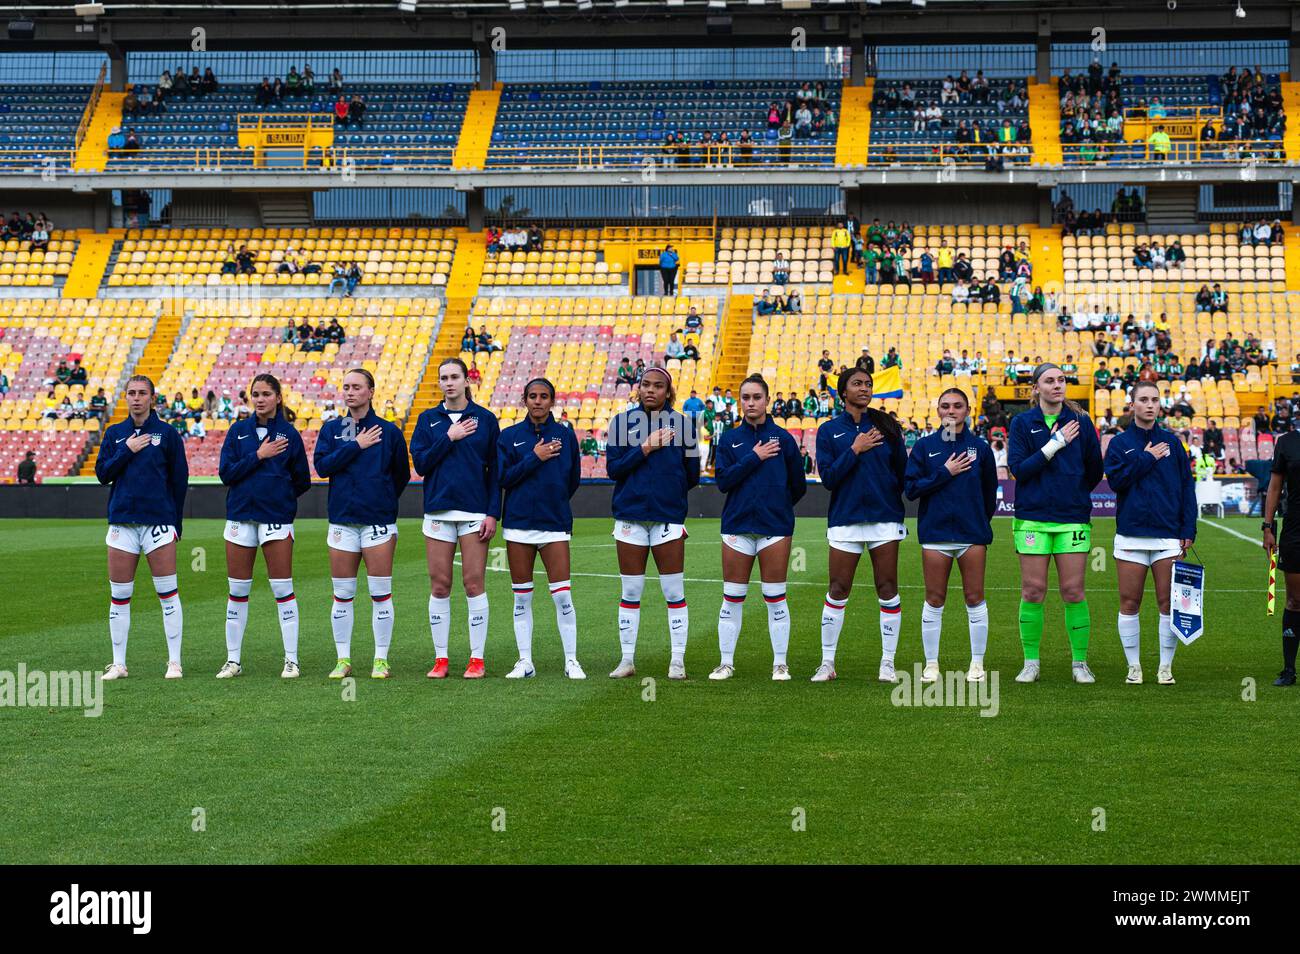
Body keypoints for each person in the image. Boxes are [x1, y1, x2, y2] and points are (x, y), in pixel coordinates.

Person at [1007, 363, 1105, 684]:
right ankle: (1031, 662)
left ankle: (1080, 662)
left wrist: (1071, 491)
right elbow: (1020, 469)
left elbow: (1094, 470)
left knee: (1073, 590)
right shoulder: (1022, 423)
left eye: (1061, 380)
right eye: (1049, 381)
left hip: (1071, 518)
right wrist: (1054, 444)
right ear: (1036, 388)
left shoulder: (1081, 422)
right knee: (1033, 591)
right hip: (1032, 518)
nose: (1057, 385)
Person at [313, 369, 411, 681]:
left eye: (357, 387)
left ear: (371, 391)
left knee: (380, 593)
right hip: (342, 520)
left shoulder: (389, 431)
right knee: (342, 593)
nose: (350, 392)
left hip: (378, 522)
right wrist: (355, 445)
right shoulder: (332, 429)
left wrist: (381, 499)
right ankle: (343, 659)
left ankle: (380, 659)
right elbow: (323, 466)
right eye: (346, 387)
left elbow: (400, 475)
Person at [814, 367, 908, 683]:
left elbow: (901, 474)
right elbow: (828, 478)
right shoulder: (829, 432)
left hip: (884, 519)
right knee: (838, 590)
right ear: (843, 392)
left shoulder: (887, 427)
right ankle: (827, 663)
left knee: (887, 588)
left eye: (868, 384)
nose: (865, 388)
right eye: (857, 384)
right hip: (845, 520)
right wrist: (855, 449)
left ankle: (888, 663)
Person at [606, 367, 700, 680]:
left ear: (668, 392)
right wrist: (646, 447)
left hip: (667, 517)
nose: (651, 390)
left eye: (658, 386)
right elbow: (614, 469)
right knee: (631, 590)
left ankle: (677, 661)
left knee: (673, 591)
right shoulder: (621, 422)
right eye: (646, 384)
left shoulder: (684, 426)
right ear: (639, 388)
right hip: (631, 517)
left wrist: (668, 496)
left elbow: (691, 475)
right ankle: (627, 660)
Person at [710, 374, 806, 681]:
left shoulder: (785, 439)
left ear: (767, 400)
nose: (751, 403)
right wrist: (754, 457)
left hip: (775, 526)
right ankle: (726, 663)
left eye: (756, 397)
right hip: (737, 525)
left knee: (775, 596)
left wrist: (776, 504)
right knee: (732, 596)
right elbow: (723, 481)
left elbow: (798, 486)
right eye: (746, 398)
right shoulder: (728, 440)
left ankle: (780, 664)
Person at [216, 373, 312, 679]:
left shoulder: (289, 435)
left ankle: (292, 660)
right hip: (240, 519)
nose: (259, 399)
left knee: (283, 589)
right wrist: (258, 456)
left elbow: (302, 481)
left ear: (278, 398)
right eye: (255, 393)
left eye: (266, 394)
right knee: (237, 591)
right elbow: (226, 474)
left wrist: (278, 498)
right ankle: (233, 660)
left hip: (276, 520)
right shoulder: (238, 432)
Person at [410, 358, 501, 680]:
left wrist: (493, 513)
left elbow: (495, 470)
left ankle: (477, 659)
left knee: (474, 583)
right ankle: (441, 658)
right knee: (440, 585)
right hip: (438, 510)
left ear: (466, 380)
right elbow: (421, 464)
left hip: (475, 511)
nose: (449, 383)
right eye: (444, 378)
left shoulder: (486, 419)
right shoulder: (428, 420)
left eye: (454, 377)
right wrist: (448, 437)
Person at [94, 375, 189, 680]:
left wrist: (176, 524)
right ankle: (119, 663)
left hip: (158, 523)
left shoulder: (168, 434)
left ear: (152, 398)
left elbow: (179, 482)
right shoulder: (115, 434)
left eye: (142, 393)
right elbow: (102, 474)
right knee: (119, 596)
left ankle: (174, 662)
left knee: (168, 594)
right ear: (126, 397)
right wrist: (128, 450)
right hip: (122, 522)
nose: (136, 398)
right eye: (131, 393)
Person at [1103, 381, 1197, 686]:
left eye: (1154, 400)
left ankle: (1165, 667)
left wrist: (1188, 528)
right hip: (1131, 534)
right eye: (1143, 399)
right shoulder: (1119, 444)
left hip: (1167, 535)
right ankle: (1134, 667)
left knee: (1167, 602)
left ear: (1160, 404)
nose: (1149, 404)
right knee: (1129, 602)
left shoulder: (1173, 443)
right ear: (1132, 405)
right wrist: (1146, 457)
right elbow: (1116, 482)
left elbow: (1186, 488)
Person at [903, 388, 998, 683]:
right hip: (936, 534)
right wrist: (944, 471)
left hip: (972, 535)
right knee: (934, 599)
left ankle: (977, 664)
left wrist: (978, 521)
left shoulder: (980, 448)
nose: (951, 411)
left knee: (974, 597)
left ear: (968, 411)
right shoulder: (924, 447)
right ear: (938, 411)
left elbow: (988, 493)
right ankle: (932, 664)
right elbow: (912, 489)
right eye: (945, 406)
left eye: (958, 406)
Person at [496, 377, 584, 680]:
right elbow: (503, 478)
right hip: (518, 526)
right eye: (532, 395)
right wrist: (534, 457)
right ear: (524, 399)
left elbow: (572, 479)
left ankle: (571, 660)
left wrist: (554, 499)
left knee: (562, 596)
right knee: (522, 597)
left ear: (552, 401)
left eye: (544, 396)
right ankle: (525, 661)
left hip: (554, 524)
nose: (538, 401)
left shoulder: (565, 435)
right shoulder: (509, 437)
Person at [1263, 424, 1300, 685]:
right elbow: (1275, 487)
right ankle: (1289, 670)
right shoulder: (1286, 442)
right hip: (1295, 530)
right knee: (1295, 601)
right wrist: (1268, 527)